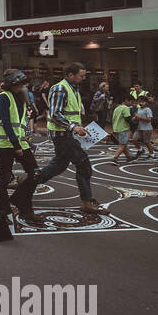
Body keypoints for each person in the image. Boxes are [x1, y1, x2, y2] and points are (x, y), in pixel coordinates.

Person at [34, 62, 100, 214]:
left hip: (69, 134)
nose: (84, 79)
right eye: (81, 76)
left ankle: (29, 181)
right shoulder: (60, 88)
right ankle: (87, 201)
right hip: (62, 134)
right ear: (71, 75)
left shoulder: (73, 88)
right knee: (83, 163)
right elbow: (55, 114)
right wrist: (74, 127)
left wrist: (78, 128)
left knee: (60, 165)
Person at [0, 69, 41, 229]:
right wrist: (16, 145)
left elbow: (22, 122)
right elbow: (6, 123)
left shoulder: (20, 97)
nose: (24, 86)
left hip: (21, 142)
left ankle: (22, 202)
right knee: (4, 178)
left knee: (34, 172)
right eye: (21, 83)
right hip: (7, 144)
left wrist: (28, 139)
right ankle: (1, 210)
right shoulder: (3, 97)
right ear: (13, 83)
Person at [110, 98, 134, 163]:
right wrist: (133, 122)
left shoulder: (117, 108)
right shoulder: (126, 108)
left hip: (116, 128)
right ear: (126, 101)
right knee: (122, 145)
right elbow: (127, 118)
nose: (131, 104)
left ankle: (128, 157)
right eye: (131, 102)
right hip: (123, 128)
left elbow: (112, 118)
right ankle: (115, 158)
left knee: (124, 144)